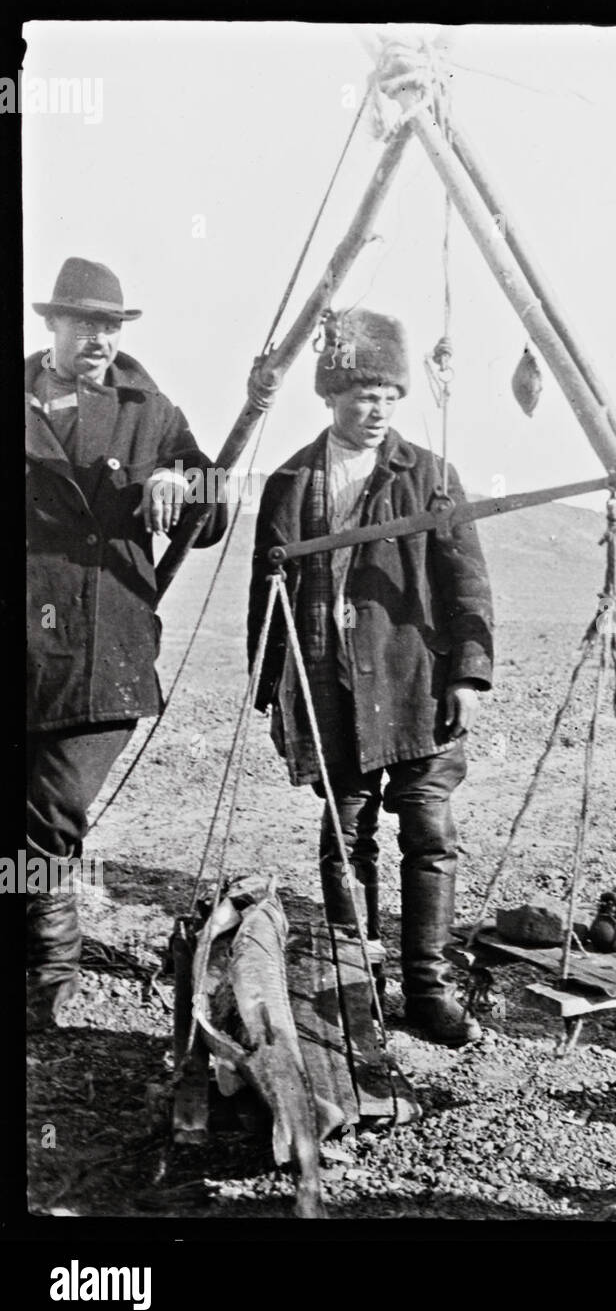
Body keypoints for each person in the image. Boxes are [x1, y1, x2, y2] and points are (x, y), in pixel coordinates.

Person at [248, 309, 493, 1048]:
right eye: (361, 392)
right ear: (331, 397)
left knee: (429, 831)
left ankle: (428, 988)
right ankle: (358, 988)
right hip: (329, 686)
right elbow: (267, 594)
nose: (376, 406)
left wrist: (469, 676)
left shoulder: (430, 476)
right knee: (345, 834)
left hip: (415, 680)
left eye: (388, 391)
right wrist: (271, 689)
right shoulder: (293, 481)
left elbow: (469, 585)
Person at [26, 256, 229, 1031]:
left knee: (55, 806)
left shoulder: (148, 410)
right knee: (26, 813)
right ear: (54, 326)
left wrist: (182, 490)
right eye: (85, 324)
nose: (99, 339)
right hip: (26, 647)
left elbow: (214, 504)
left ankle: (52, 966)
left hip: (106, 648)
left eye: (110, 326)